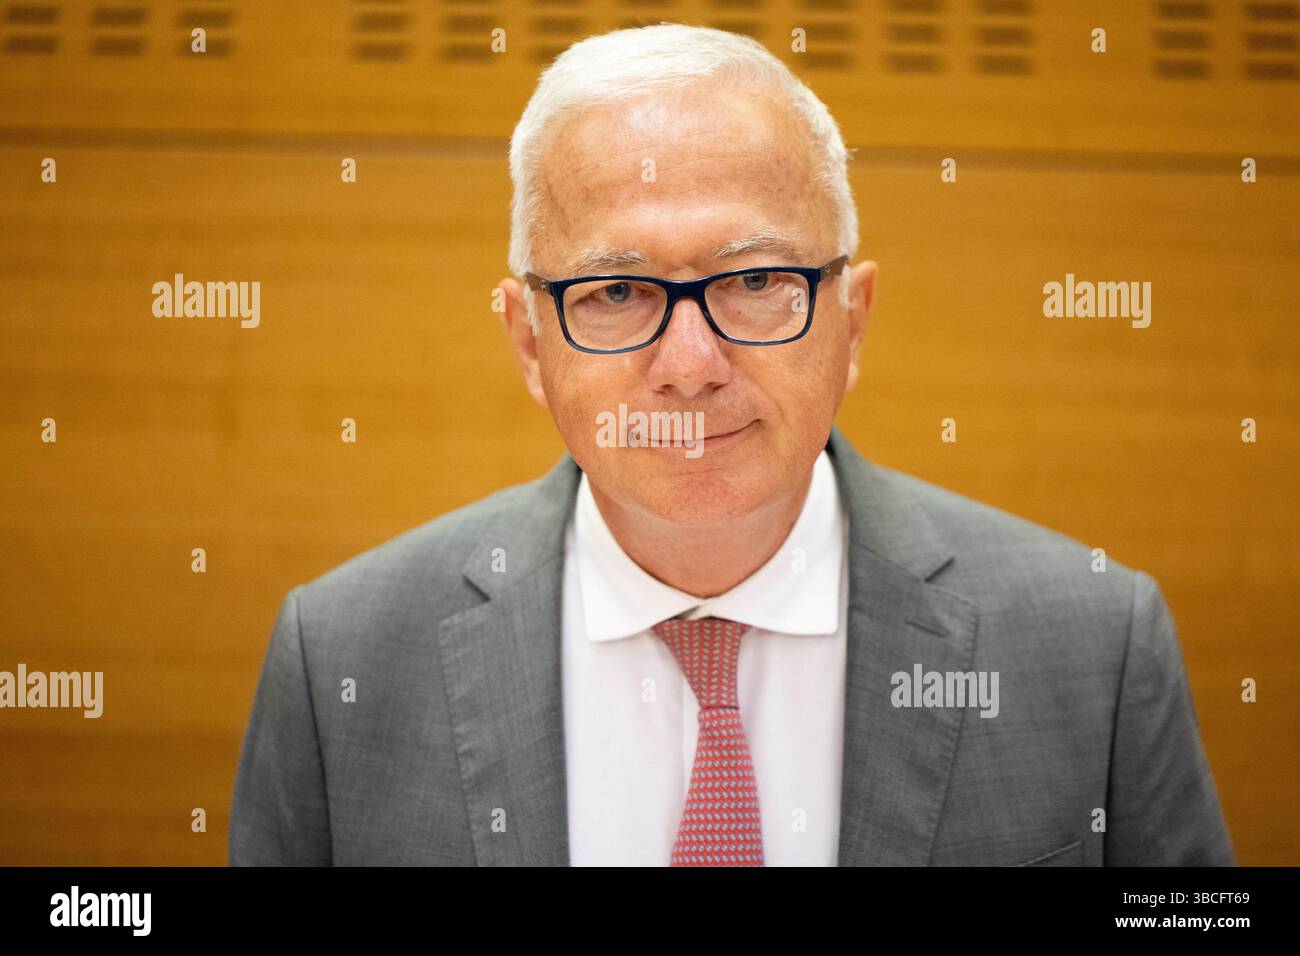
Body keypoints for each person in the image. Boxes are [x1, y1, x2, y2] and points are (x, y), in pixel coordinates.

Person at [229, 24, 1233, 866]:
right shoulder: (342, 659)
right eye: (616, 291)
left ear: (852, 318)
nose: (691, 362)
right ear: (529, 342)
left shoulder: (1093, 644)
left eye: (753, 280)